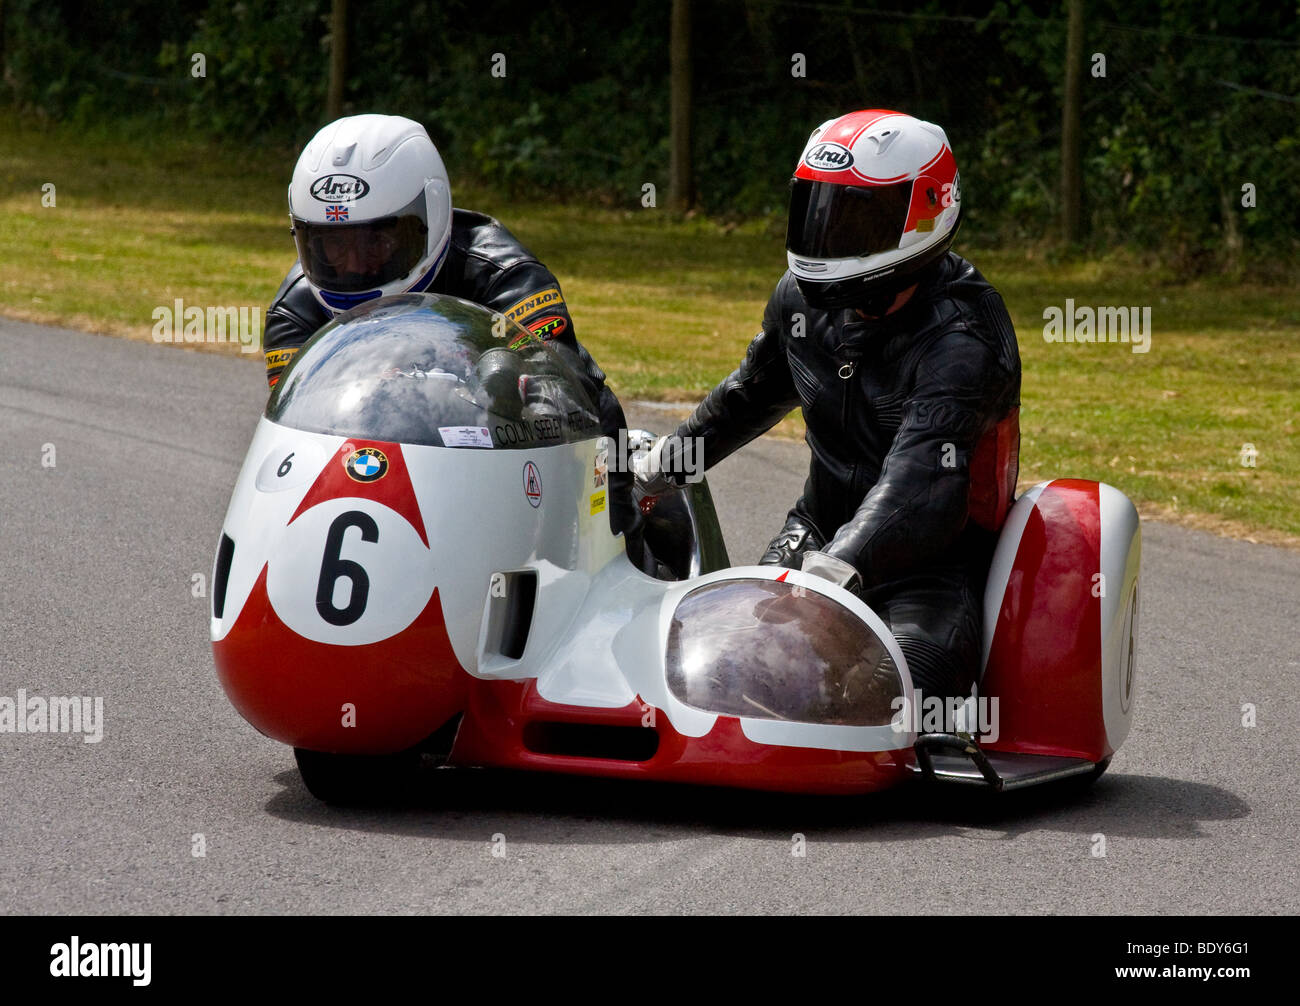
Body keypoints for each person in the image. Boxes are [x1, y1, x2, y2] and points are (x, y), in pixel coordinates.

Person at [635, 109, 1022, 702]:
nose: (827, 239)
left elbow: (922, 479)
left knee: (882, 700)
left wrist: (834, 572)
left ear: (921, 216)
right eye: (818, 212)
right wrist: (659, 468)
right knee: (720, 674)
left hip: (933, 574)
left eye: (853, 219)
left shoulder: (963, 336)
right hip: (813, 533)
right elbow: (746, 397)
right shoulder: (801, 301)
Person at [263, 113, 654, 571]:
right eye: (332, 246)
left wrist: (515, 385)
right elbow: (302, 438)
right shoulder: (295, 315)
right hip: (377, 462)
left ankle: (635, 564)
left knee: (595, 447)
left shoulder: (504, 277)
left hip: (498, 444)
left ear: (428, 217)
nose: (354, 265)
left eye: (376, 243)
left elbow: (563, 393)